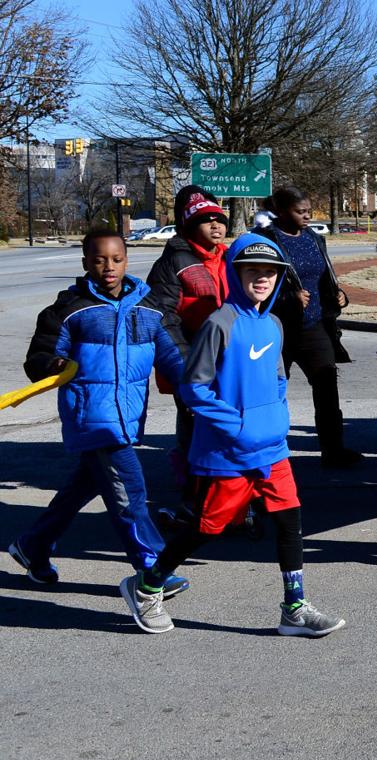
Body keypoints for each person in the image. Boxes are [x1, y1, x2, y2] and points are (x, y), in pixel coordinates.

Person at [119, 236, 345, 637]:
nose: (262, 278)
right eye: (253, 270)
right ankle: (148, 586)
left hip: (271, 447)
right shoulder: (219, 323)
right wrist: (237, 425)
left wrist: (277, 415)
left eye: (270, 272)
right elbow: (194, 388)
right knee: (209, 527)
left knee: (289, 518)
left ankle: (294, 607)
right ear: (235, 273)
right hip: (228, 451)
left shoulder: (273, 324)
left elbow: (277, 376)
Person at [7, 229, 190, 599]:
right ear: (85, 263)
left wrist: (202, 391)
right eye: (99, 259)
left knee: (85, 485)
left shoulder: (150, 307)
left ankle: (33, 545)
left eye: (116, 259)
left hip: (127, 415)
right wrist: (53, 362)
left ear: (127, 259)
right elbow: (38, 357)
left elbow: (177, 357)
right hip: (91, 416)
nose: (108, 267)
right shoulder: (71, 309)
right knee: (130, 490)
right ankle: (152, 566)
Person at [254, 185, 360, 468]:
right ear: (280, 211)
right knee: (270, 390)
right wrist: (288, 298)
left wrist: (338, 295)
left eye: (309, 211)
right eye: (300, 212)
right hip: (278, 328)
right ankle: (265, 451)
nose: (307, 217)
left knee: (327, 387)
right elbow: (254, 285)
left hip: (314, 325)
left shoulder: (313, 237)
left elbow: (323, 275)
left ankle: (333, 450)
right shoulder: (265, 240)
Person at [146, 186, 230, 517]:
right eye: (205, 220)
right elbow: (161, 319)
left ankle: (227, 495)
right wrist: (184, 365)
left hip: (227, 361)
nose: (215, 225)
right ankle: (194, 497)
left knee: (224, 428)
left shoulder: (229, 256)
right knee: (196, 428)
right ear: (187, 225)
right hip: (191, 361)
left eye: (219, 219)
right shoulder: (174, 263)